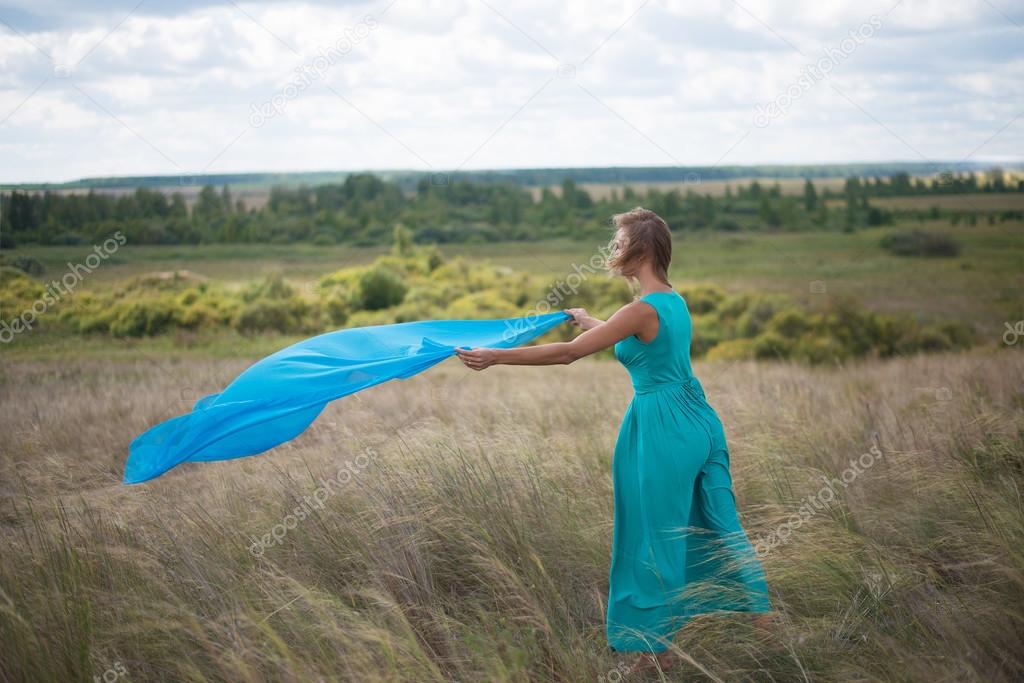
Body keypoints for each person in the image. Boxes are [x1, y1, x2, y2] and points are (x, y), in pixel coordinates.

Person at [455, 207, 773, 673]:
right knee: (724, 528)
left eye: (619, 243)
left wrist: (496, 356)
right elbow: (637, 340)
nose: (613, 251)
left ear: (639, 251)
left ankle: (656, 652)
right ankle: (768, 634)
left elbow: (569, 355)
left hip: (662, 428)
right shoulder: (672, 302)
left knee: (653, 537)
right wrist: (590, 320)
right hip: (700, 422)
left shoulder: (639, 310)